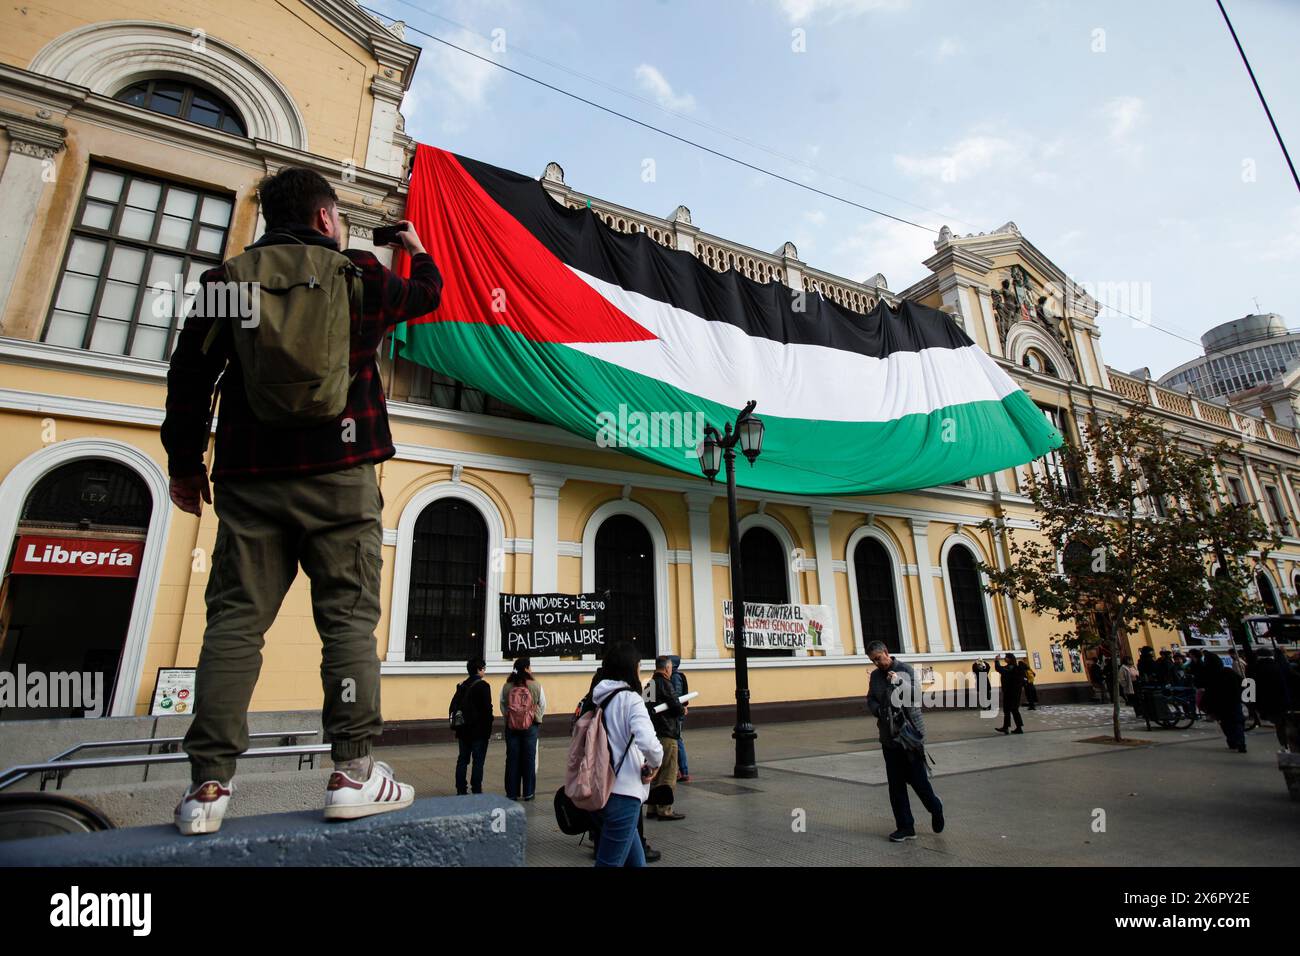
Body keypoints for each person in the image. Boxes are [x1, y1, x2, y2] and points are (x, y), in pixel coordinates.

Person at [163, 167, 441, 834]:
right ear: (325, 219)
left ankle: (208, 788)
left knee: (234, 622)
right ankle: (351, 770)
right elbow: (428, 295)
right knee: (346, 621)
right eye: (338, 218)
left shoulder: (228, 282)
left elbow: (189, 375)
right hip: (341, 472)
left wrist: (182, 462)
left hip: (248, 477)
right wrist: (414, 243)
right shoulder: (358, 276)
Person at [590, 642, 663, 867]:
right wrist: (655, 763)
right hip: (624, 790)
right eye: (639, 666)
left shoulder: (599, 697)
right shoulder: (631, 699)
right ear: (631, 668)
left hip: (601, 786)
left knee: (636, 861)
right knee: (608, 863)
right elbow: (648, 743)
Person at [866, 641, 943, 843]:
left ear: (886, 652)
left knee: (918, 782)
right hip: (889, 737)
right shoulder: (875, 676)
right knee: (895, 785)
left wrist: (900, 682)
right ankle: (905, 827)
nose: (877, 663)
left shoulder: (905, 669)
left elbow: (917, 696)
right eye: (873, 660)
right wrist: (877, 710)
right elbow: (871, 699)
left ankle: (935, 807)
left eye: (879, 658)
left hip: (909, 736)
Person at [646, 656, 686, 821]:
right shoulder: (665, 683)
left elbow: (647, 708)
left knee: (655, 772)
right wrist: (683, 710)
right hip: (668, 733)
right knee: (669, 772)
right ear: (667, 668)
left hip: (653, 733)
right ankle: (665, 809)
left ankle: (652, 807)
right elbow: (675, 706)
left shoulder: (649, 684)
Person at [501, 656, 546, 801]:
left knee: (512, 759)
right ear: (527, 668)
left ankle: (512, 793)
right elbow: (542, 704)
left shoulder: (507, 686)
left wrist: (510, 717)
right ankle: (528, 792)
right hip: (530, 725)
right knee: (529, 758)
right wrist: (535, 717)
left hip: (512, 726)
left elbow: (502, 704)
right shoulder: (536, 685)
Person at [452, 658, 494, 794]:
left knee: (463, 759)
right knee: (478, 760)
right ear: (478, 669)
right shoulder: (483, 686)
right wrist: (488, 729)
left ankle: (460, 788)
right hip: (479, 731)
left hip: (463, 729)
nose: (484, 671)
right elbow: (487, 710)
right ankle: (476, 787)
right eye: (483, 668)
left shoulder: (462, 685)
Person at [1202, 650, 1247, 753]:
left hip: (1219, 703)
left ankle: (1232, 741)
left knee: (1226, 722)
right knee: (1237, 722)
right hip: (1234, 701)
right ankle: (1241, 742)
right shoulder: (1228, 671)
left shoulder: (1210, 675)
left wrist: (1208, 706)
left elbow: (1208, 691)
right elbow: (1242, 683)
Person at [669, 654, 692, 783]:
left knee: (677, 740)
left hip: (676, 714)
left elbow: (676, 697)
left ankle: (684, 771)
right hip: (676, 712)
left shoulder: (675, 677)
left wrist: (678, 708)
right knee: (676, 740)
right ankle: (680, 771)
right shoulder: (673, 676)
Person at [995, 652, 1026, 734]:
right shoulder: (1012, 667)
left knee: (1011, 709)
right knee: (1011, 710)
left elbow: (1000, 669)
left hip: (1010, 692)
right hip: (1013, 692)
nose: (1005, 658)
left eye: (1006, 657)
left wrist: (996, 661)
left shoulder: (1011, 667)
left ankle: (1011, 728)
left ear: (1010, 659)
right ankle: (1011, 727)